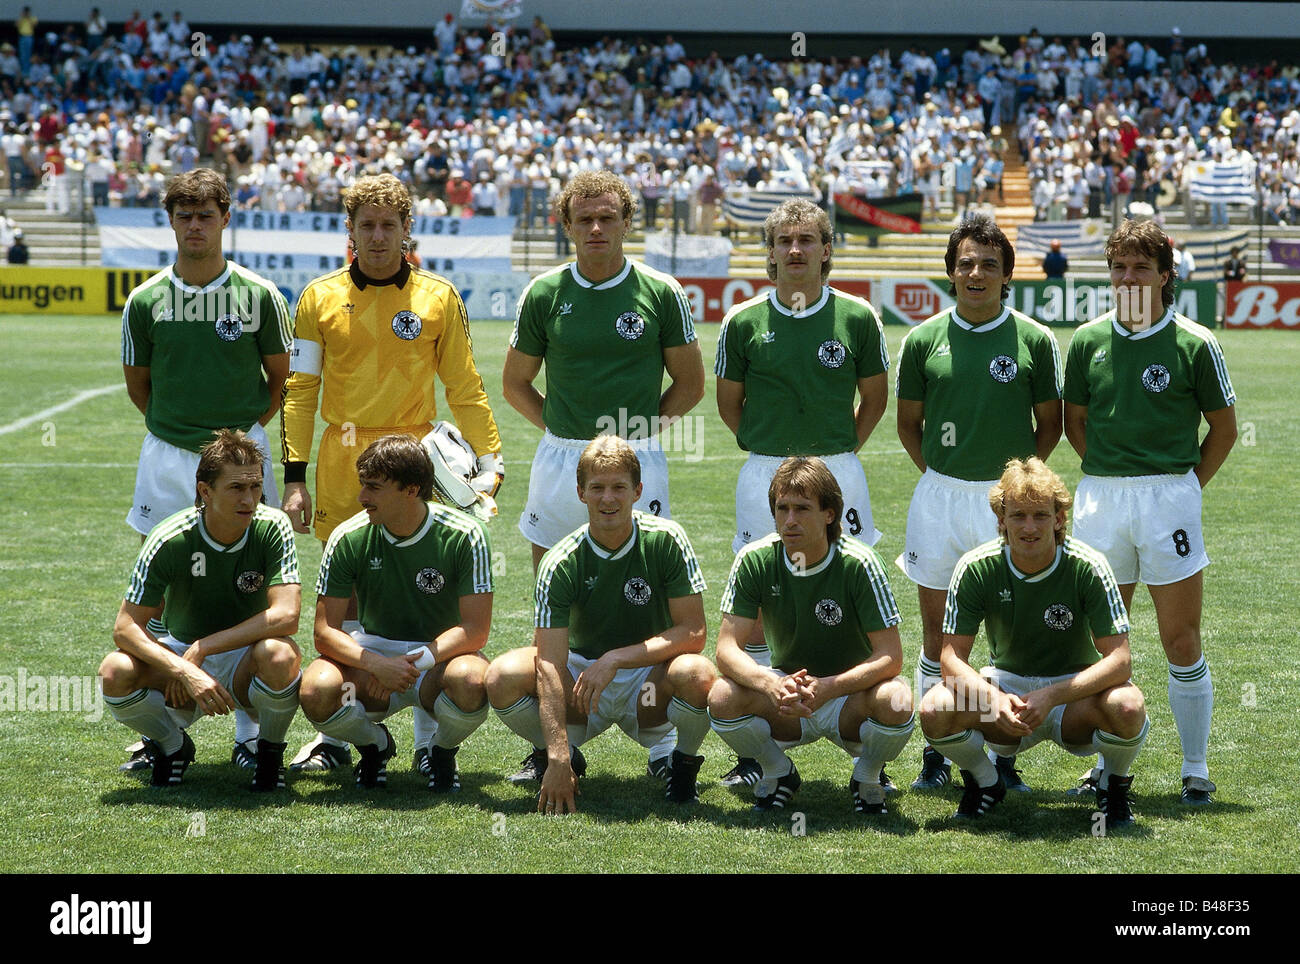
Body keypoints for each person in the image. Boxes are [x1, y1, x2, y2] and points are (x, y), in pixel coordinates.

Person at [281, 172, 503, 774]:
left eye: (389, 225)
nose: (378, 237)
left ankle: (432, 736)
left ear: (409, 231)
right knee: (346, 594)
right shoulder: (317, 298)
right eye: (366, 226)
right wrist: (294, 476)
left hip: (413, 463)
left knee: (422, 575)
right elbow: (300, 390)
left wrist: (491, 458)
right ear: (349, 232)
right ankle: (341, 737)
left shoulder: (439, 297)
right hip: (339, 462)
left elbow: (464, 385)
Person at [120, 168, 292, 772]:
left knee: (251, 576)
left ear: (225, 217)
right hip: (167, 456)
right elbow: (140, 387)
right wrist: (184, 438)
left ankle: (251, 729)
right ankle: (166, 731)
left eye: (206, 213)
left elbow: (280, 381)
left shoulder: (259, 294)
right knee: (162, 586)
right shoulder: (144, 301)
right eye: (184, 214)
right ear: (170, 221)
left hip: (244, 458)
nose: (195, 224)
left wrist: (235, 441)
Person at [714, 197, 890, 786]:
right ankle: (759, 753)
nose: (795, 250)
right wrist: (774, 451)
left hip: (840, 468)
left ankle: (859, 725)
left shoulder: (859, 317)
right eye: (784, 241)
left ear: (826, 251)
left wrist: (837, 452)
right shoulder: (742, 321)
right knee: (759, 599)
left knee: (854, 581)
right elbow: (728, 407)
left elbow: (875, 400)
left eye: (807, 240)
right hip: (762, 470)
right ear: (770, 253)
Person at [1064, 218, 1236, 805]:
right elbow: (1075, 423)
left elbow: (1224, 427)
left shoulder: (1195, 341)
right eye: (1118, 267)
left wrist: (1186, 485)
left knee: (1179, 638)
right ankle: (1110, 768)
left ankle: (1195, 767)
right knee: (1104, 643)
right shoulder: (1087, 340)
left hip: (1170, 496)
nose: (1128, 277)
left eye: (1141, 267)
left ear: (1165, 275)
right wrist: (1112, 473)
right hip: (1101, 498)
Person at [895, 214, 1063, 792]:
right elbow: (908, 425)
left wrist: (1009, 487)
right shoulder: (922, 339)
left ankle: (1005, 758)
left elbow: (1051, 426)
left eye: (989, 264)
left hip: (1007, 505)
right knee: (937, 632)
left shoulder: (1035, 340)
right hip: (939, 498)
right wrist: (949, 477)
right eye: (965, 262)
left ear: (1006, 274)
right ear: (950, 271)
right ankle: (936, 752)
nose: (976, 273)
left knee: (1006, 632)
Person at [484, 437, 715, 811]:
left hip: (646, 683)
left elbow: (694, 632)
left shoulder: (667, 540)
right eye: (597, 488)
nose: (608, 499)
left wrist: (616, 659)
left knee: (698, 673)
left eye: (619, 487)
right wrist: (557, 752)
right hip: (582, 686)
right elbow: (548, 663)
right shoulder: (561, 561)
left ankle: (682, 763)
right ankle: (563, 757)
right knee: (501, 676)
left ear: (638, 491)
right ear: (580, 492)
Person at [920, 457, 1146, 826]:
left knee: (1128, 705)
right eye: (1018, 515)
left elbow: (1120, 660)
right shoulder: (976, 567)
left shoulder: (1088, 566)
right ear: (1000, 520)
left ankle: (1113, 784)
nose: (1029, 527)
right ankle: (985, 780)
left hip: (1071, 696)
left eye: (1041, 515)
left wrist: (1052, 695)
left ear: (1059, 519)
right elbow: (950, 659)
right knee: (934, 709)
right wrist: (993, 697)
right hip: (1006, 689)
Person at [503, 168, 704, 571]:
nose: (596, 228)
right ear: (567, 226)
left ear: (626, 223)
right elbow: (514, 383)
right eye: (584, 219)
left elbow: (691, 383)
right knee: (554, 580)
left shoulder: (662, 290)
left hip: (637, 455)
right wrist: (562, 427)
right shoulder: (543, 292)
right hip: (561, 457)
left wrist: (641, 431)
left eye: (608, 218)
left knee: (640, 580)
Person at [708, 457, 914, 815]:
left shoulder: (859, 563)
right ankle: (777, 771)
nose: (789, 520)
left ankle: (867, 776)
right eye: (782, 508)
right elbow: (726, 649)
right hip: (788, 694)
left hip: (849, 697)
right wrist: (770, 684)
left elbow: (890, 657)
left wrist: (830, 687)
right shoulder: (754, 560)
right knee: (722, 695)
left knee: (897, 699)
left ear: (830, 514)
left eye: (802, 509)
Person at [99, 430, 303, 791]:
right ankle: (171, 746)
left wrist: (206, 647)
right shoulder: (170, 537)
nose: (250, 499)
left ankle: (269, 753)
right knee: (113, 671)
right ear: (205, 491)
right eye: (236, 488)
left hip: (244, 659)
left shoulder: (273, 527)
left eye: (256, 487)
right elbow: (125, 627)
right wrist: (182, 669)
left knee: (279, 654)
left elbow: (286, 616)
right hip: (182, 654)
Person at [298, 435, 492, 791]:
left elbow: (475, 630)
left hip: (438, 660)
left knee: (473, 681)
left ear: (411, 490)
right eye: (363, 486)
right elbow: (324, 632)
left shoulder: (466, 535)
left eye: (373, 488)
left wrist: (414, 663)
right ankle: (375, 745)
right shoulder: (348, 537)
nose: (361, 498)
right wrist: (375, 663)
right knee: (316, 690)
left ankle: (441, 751)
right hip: (373, 656)